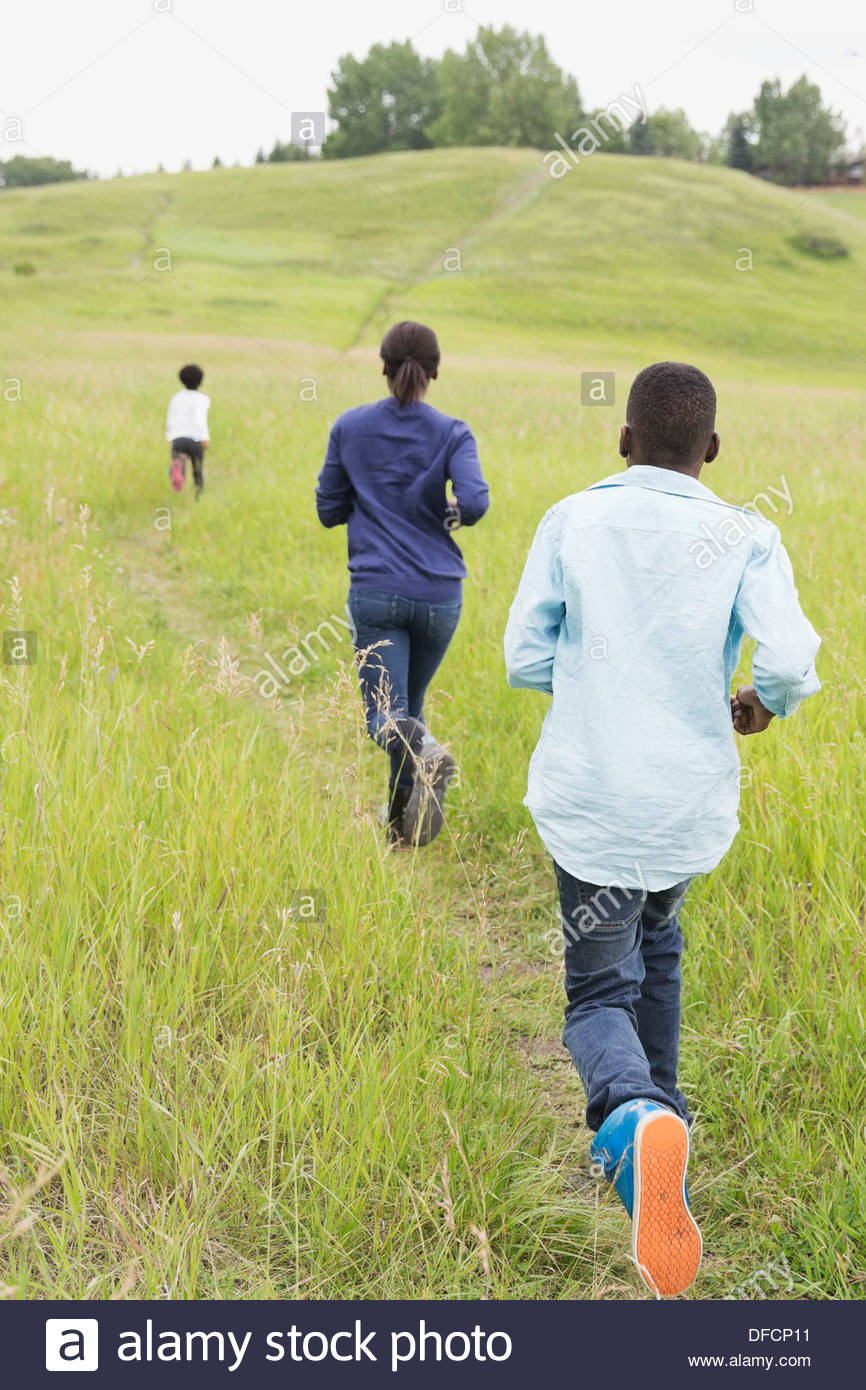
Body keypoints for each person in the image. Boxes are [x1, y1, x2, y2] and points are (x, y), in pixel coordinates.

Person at [504, 361, 820, 1297]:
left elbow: (525, 657)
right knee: (662, 940)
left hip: (594, 793)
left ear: (623, 440)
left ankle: (639, 1121)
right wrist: (761, 699)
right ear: (712, 451)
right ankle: (662, 1125)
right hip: (685, 798)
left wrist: (594, 683)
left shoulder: (571, 518)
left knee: (599, 992)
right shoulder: (743, 532)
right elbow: (796, 661)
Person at [316, 321, 489, 846]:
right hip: (440, 596)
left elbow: (328, 510)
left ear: (384, 365)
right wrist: (447, 514)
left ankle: (422, 759)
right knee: (409, 711)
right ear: (434, 371)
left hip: (376, 591)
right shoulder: (453, 431)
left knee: (384, 716)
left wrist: (365, 507)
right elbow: (476, 501)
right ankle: (399, 831)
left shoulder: (349, 426)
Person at [166, 364, 210, 497]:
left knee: (179, 461)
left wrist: (172, 435)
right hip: (196, 439)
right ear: (201, 381)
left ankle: (178, 473)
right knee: (197, 470)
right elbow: (200, 419)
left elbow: (171, 417)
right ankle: (198, 494)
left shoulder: (176, 397)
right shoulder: (203, 399)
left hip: (179, 439)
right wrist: (205, 437)